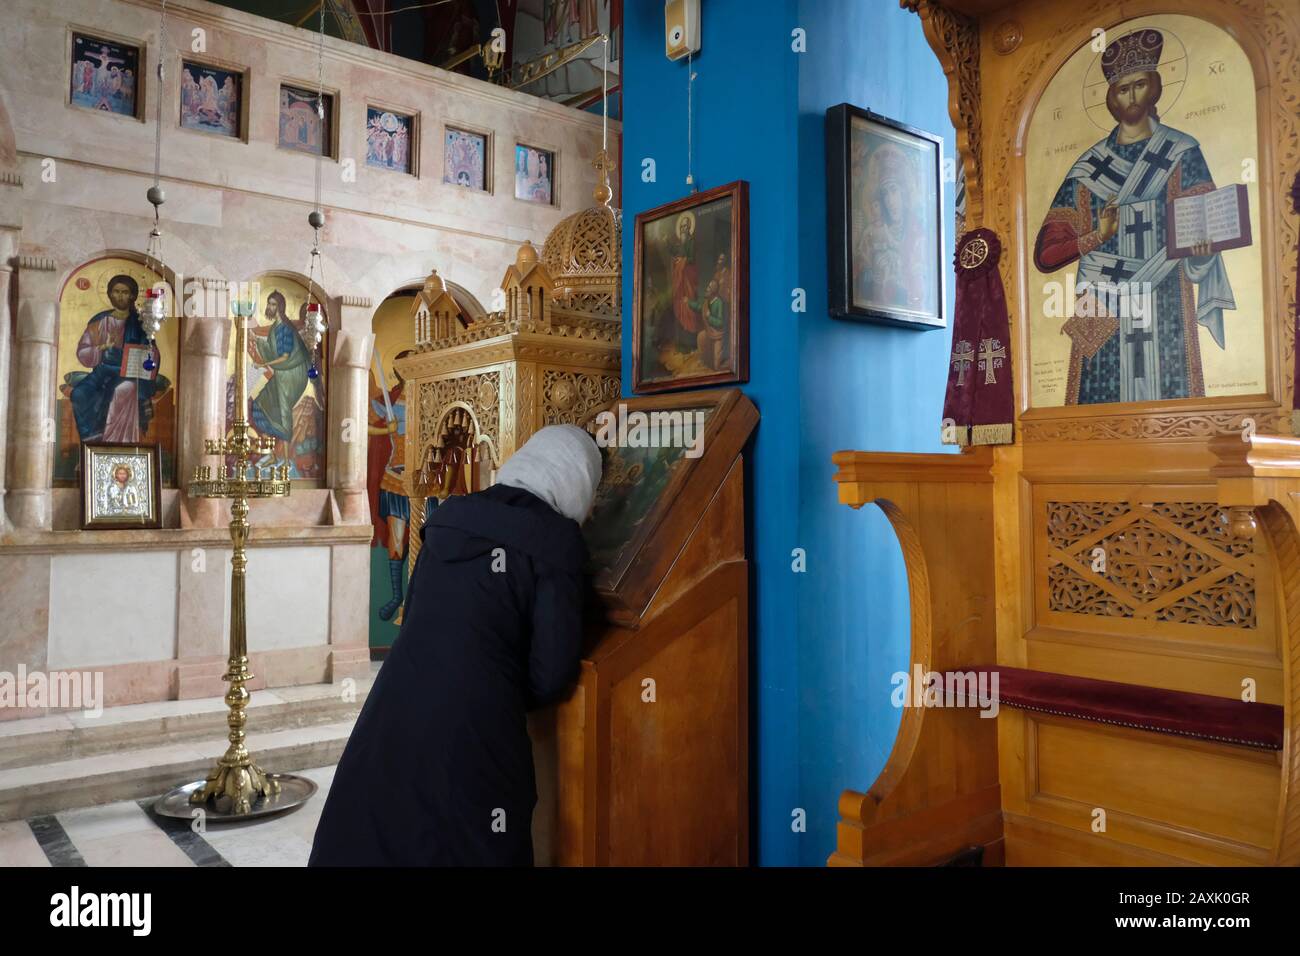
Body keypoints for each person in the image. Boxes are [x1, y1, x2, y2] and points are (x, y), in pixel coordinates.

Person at [309, 424, 603, 866]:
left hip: (393, 710)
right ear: (577, 480)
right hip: (476, 731)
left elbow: (421, 614)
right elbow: (551, 675)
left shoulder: (451, 517)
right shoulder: (554, 543)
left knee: (381, 827)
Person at [1033, 27, 1234, 405]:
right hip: (1102, 296)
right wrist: (1097, 235)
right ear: (1110, 97)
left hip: (1165, 294)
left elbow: (1207, 225)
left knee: (1171, 397)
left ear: (1154, 87)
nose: (1131, 96)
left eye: (1139, 85)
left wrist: (1204, 249)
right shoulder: (1087, 168)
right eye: (1122, 89)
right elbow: (1046, 254)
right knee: (1098, 405)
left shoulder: (1181, 152)